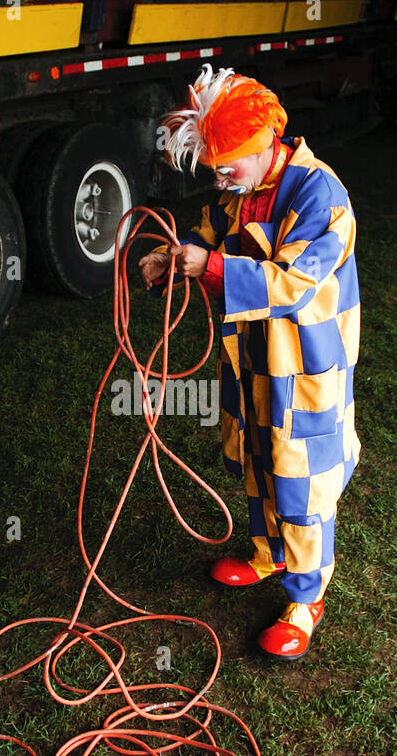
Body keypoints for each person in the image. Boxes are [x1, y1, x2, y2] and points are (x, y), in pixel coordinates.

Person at [139, 64, 361, 660]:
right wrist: (172, 257)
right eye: (213, 166)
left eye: (225, 163)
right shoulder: (240, 191)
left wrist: (206, 269)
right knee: (259, 460)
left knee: (303, 481)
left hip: (308, 365)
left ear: (263, 143)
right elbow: (209, 235)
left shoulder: (322, 195)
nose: (219, 175)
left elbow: (290, 280)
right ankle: (267, 555)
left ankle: (306, 596)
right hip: (255, 359)